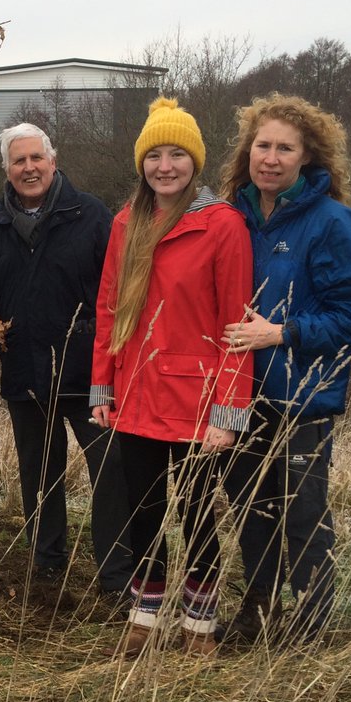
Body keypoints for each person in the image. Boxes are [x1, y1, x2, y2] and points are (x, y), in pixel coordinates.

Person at [218, 94, 351, 645]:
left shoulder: (332, 222)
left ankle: (313, 626)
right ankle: (259, 611)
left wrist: (283, 333)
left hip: (303, 396)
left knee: (303, 514)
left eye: (284, 148)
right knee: (250, 509)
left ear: (307, 156)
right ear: (247, 152)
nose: (270, 157)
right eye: (262, 145)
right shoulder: (229, 215)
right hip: (238, 396)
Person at [90, 98, 253, 656]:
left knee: (199, 512)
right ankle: (145, 615)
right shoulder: (124, 223)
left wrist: (229, 413)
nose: (165, 166)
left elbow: (237, 323)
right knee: (144, 509)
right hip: (136, 393)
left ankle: (200, 625)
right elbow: (109, 309)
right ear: (141, 163)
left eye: (177, 155)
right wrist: (101, 387)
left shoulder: (222, 225)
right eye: (154, 155)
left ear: (195, 162)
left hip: (199, 399)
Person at [0, 123, 130, 589]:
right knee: (39, 474)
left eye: (37, 158)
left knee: (111, 473)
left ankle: (117, 574)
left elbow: (118, 294)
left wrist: (109, 356)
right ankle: (48, 563)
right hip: (24, 372)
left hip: (89, 376)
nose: (29, 168)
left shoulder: (91, 216)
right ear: (7, 170)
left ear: (53, 162)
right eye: (19, 161)